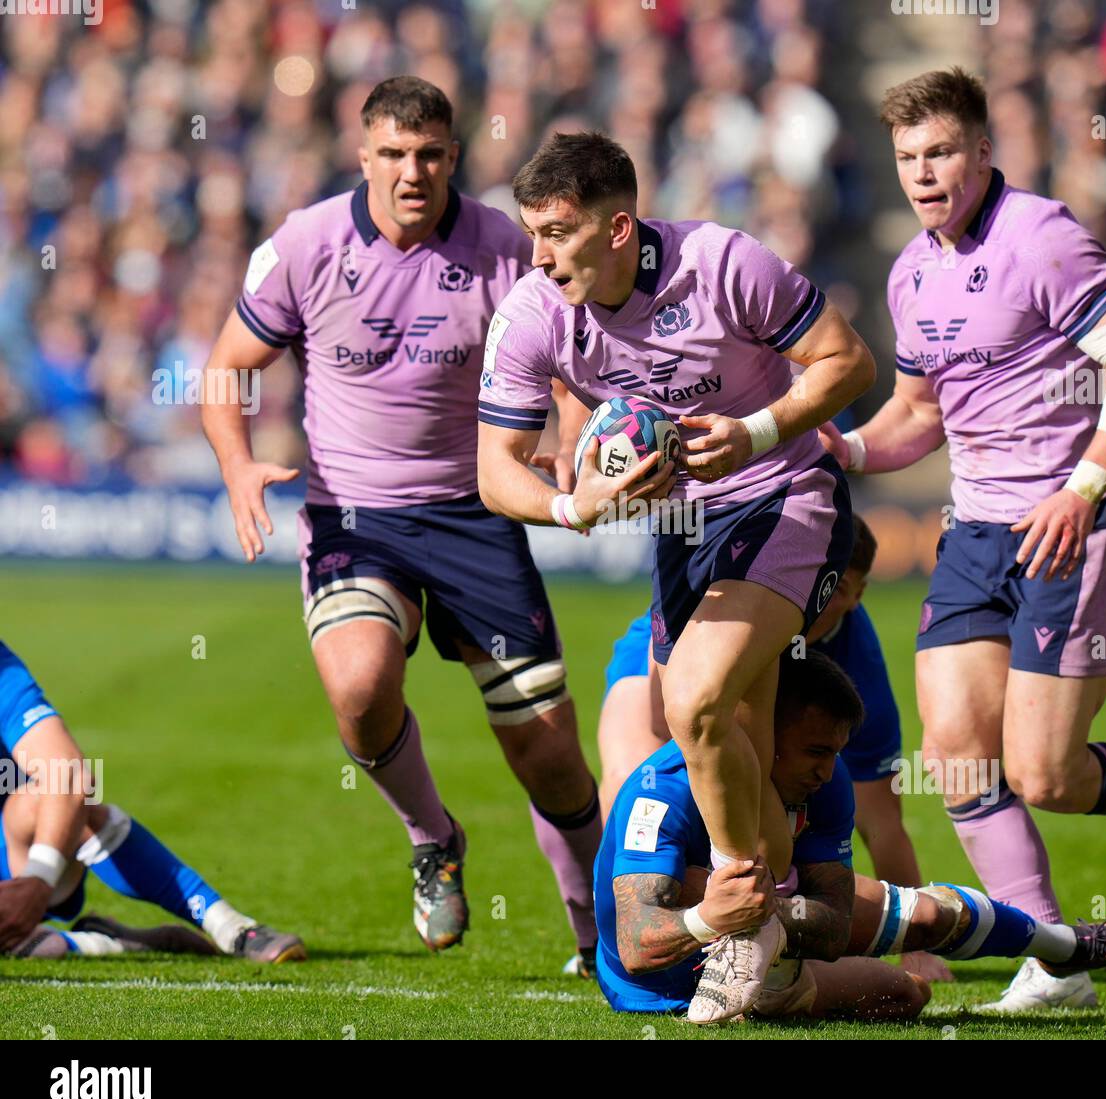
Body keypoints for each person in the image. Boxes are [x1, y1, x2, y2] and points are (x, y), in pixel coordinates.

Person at [820, 66, 1106, 1011]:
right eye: (908, 157)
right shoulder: (913, 270)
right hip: (975, 535)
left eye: (941, 150)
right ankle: (1058, 959)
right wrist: (844, 445)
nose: (922, 173)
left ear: (984, 150)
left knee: (1048, 776)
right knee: (955, 755)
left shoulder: (1042, 235)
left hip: (1073, 530)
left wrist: (1082, 488)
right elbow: (919, 414)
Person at [199, 77, 602, 968]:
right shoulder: (305, 244)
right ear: (364, 156)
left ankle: (598, 926)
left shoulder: (505, 246)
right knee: (358, 684)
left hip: (475, 509)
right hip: (353, 515)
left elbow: (571, 359)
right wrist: (236, 466)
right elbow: (228, 364)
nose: (411, 172)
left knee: (550, 757)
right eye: (393, 154)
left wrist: (571, 437)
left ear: (454, 157)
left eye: (429, 154)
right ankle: (433, 840)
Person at [477, 129, 876, 1023]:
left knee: (692, 700)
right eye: (530, 230)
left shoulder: (723, 263)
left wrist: (758, 431)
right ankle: (789, 927)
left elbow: (851, 362)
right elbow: (494, 470)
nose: (538, 255)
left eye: (556, 231)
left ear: (619, 229)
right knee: (734, 735)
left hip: (786, 497)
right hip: (684, 529)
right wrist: (577, 507)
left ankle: (742, 925)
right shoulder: (533, 312)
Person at [596, 651, 1106, 1018]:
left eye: (835, 753)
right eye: (813, 751)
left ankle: (1070, 949)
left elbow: (830, 920)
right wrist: (711, 919)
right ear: (762, 736)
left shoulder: (827, 782)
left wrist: (761, 915)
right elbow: (635, 943)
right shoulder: (664, 788)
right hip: (663, 985)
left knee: (912, 981)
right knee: (897, 992)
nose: (826, 770)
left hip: (778, 946)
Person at [596, 514, 954, 984]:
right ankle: (611, 938)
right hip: (690, 664)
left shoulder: (855, 664)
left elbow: (882, 817)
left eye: (830, 589)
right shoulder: (727, 607)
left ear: (852, 593)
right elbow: (667, 730)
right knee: (633, 779)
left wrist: (917, 953)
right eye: (810, 585)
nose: (814, 602)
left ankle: (756, 934)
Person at [0, 639, 302, 962]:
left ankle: (231, 927)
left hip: (14, 865)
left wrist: (39, 879)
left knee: (51, 800)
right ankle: (95, 942)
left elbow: (69, 773)